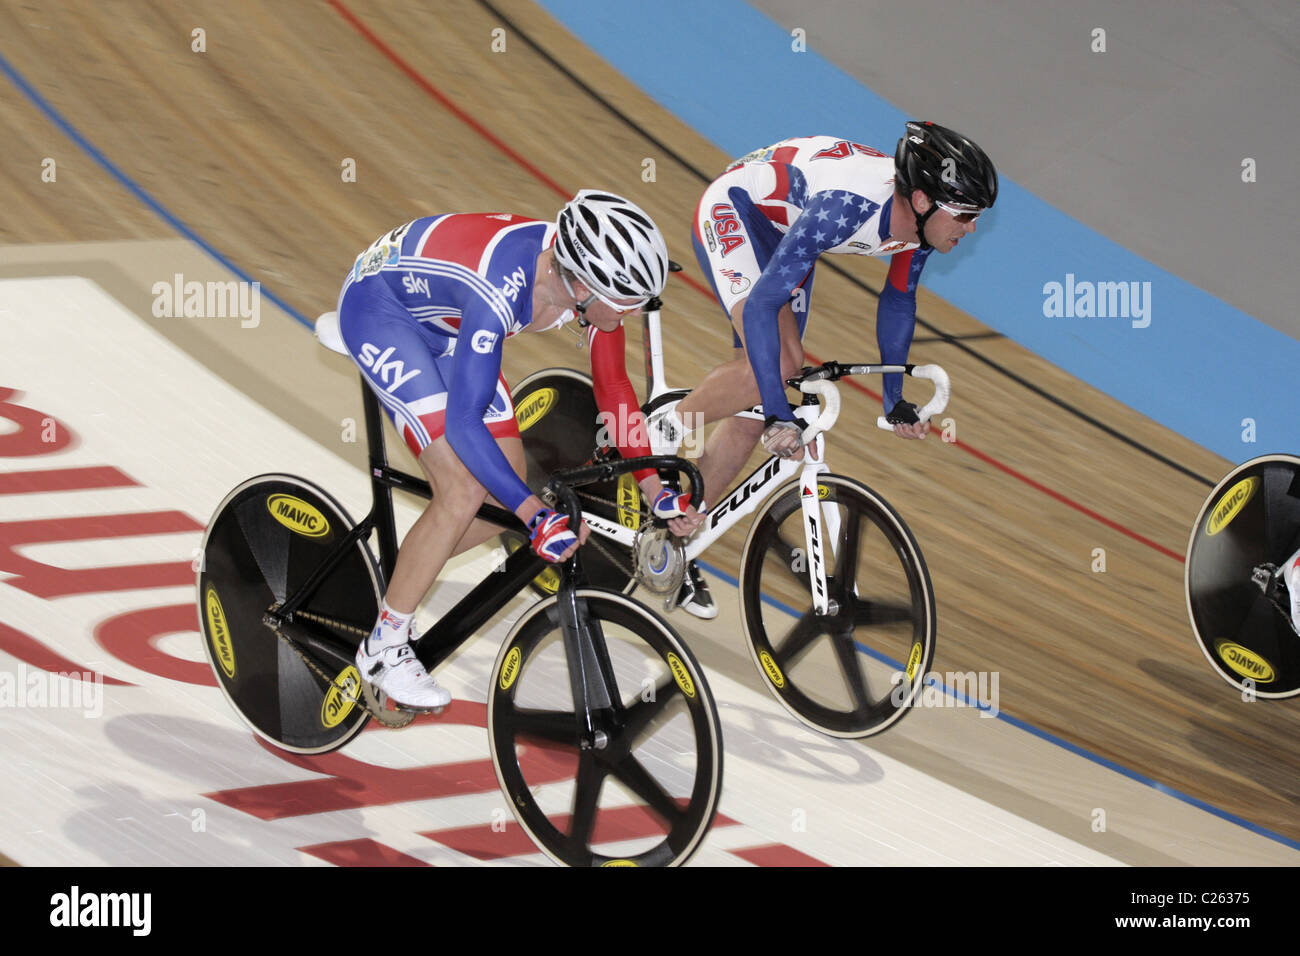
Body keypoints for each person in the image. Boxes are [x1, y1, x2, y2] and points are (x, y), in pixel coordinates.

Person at [339, 191, 702, 708]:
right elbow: (464, 425)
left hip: (448, 324)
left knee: (496, 508)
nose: (632, 312)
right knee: (464, 491)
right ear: (580, 281)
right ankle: (384, 648)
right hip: (382, 309)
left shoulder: (581, 285)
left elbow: (615, 390)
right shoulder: (500, 291)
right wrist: (535, 516)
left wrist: (652, 488)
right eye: (624, 301)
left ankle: (392, 573)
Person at [653, 121, 997, 618]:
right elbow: (759, 309)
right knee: (775, 371)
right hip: (739, 210)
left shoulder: (920, 224)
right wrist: (777, 411)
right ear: (922, 201)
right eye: (965, 216)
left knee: (754, 414)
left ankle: (668, 540)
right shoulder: (847, 209)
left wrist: (892, 397)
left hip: (790, 232)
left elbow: (899, 299)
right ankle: (656, 432)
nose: (970, 229)